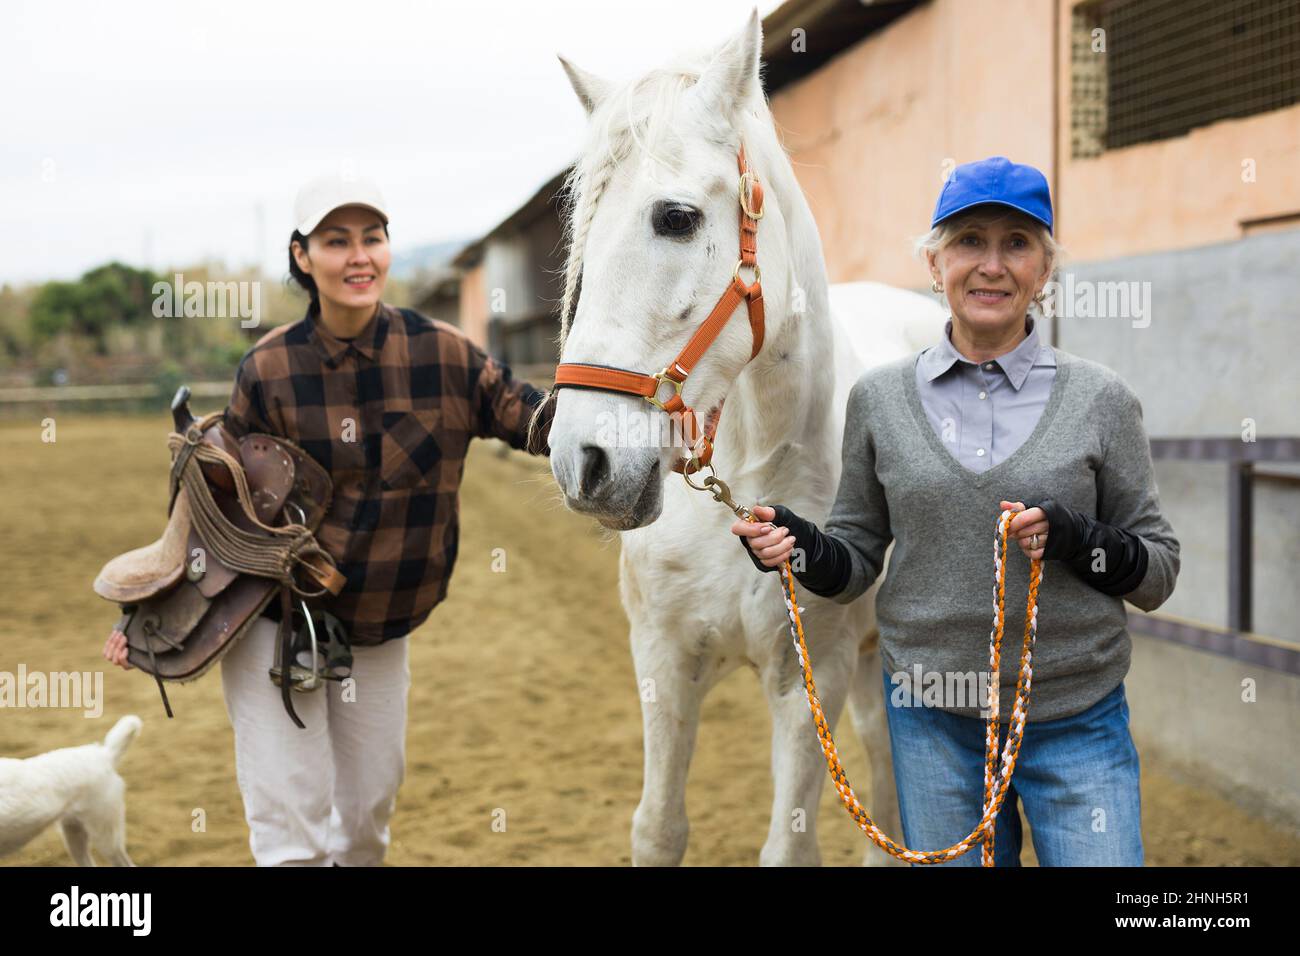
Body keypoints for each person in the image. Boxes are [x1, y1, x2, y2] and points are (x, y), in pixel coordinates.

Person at [732, 156, 1180, 866]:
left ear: (1045, 269)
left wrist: (1080, 539)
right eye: (970, 241)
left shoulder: (1102, 400)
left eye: (1017, 243)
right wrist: (805, 548)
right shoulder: (879, 400)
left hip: (1075, 721)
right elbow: (855, 558)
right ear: (935, 263)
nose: (992, 265)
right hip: (932, 725)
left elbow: (1157, 572)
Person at [103, 172, 554, 865]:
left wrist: (636, 429)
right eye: (336, 241)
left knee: (367, 822)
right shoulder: (269, 368)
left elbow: (533, 415)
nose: (358, 256)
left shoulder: (444, 354)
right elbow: (218, 507)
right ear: (301, 256)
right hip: (273, 624)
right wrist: (149, 608)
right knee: (291, 835)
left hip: (379, 627)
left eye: (372, 238)